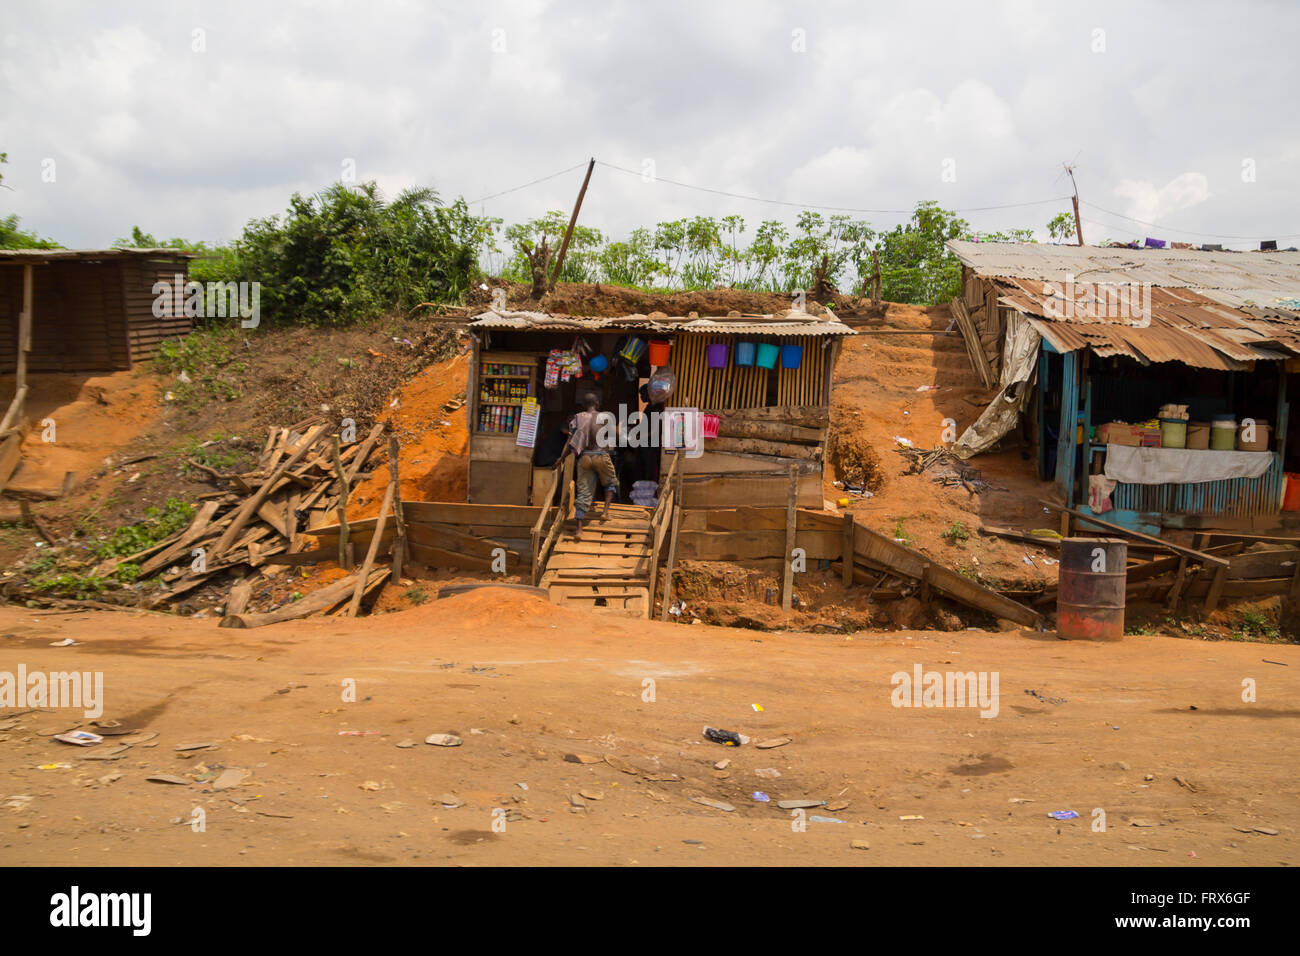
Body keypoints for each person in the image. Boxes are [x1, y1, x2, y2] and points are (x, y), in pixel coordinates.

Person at [555, 392, 617, 540]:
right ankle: (605, 512)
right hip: (600, 455)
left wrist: (561, 458)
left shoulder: (578, 418)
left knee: (583, 492)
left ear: (584, 405)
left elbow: (571, 441)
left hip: (584, 458)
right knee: (611, 482)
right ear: (597, 404)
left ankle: (579, 530)